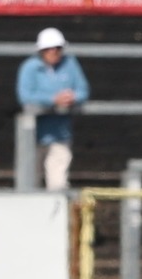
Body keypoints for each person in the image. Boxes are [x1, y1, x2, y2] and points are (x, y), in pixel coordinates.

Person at [15, 27, 89, 190]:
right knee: (29, 184)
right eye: (49, 49)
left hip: (60, 135)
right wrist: (53, 99)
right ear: (41, 50)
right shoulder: (30, 67)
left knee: (58, 184)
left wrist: (72, 97)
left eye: (57, 48)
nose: (53, 52)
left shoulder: (70, 64)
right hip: (32, 137)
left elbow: (83, 90)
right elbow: (25, 96)